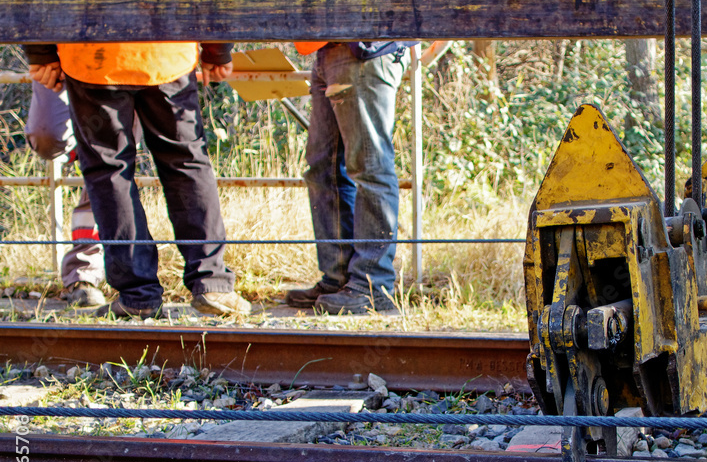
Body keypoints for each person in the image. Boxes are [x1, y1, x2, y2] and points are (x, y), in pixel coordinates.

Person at [23, 41, 250, 319]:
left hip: (92, 58)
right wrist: (217, 50)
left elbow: (33, 9)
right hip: (168, 54)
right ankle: (211, 282)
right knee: (186, 163)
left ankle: (138, 295)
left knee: (109, 172)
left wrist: (41, 53)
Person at [285, 41, 415, 314]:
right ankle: (339, 278)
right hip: (327, 50)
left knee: (370, 166)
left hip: (364, 49)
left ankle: (372, 285)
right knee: (323, 170)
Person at [25, 81, 106, 307]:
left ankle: (86, 271)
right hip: (60, 64)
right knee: (48, 134)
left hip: (119, 69)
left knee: (106, 155)